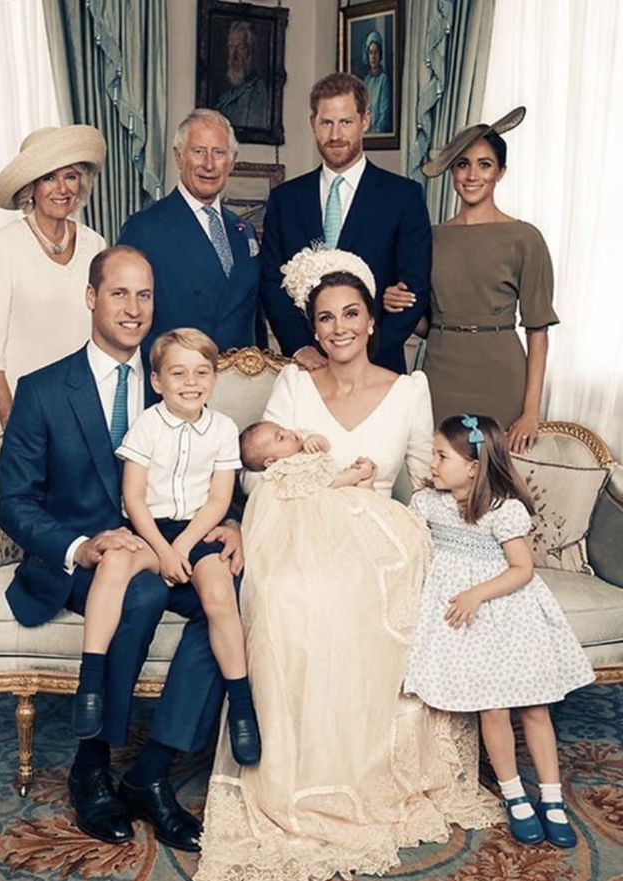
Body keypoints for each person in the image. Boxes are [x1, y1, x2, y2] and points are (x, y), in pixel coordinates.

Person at [195, 247, 502, 881]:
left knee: (353, 593)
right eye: (326, 318)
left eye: (351, 314)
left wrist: (467, 527)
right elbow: (257, 473)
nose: (339, 328)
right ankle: (294, 773)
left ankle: (362, 768)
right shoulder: (292, 383)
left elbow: (425, 481)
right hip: (298, 523)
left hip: (382, 537)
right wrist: (304, 485)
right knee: (288, 593)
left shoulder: (409, 390)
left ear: (370, 322)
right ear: (314, 329)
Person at [0, 245, 243, 853]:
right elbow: (13, 501)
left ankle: (151, 773)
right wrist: (80, 547)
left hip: (168, 545)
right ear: (91, 297)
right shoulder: (44, 390)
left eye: (145, 295)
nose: (134, 309)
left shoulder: (175, 382)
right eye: (119, 293)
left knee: (236, 593)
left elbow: (205, 473)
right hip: (90, 565)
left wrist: (232, 522)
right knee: (139, 591)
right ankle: (91, 763)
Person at [72, 327, 261, 767]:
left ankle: (242, 706)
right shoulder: (147, 425)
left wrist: (185, 546)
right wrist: (161, 548)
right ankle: (91, 680)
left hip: (195, 529)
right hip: (149, 529)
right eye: (178, 373)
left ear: (214, 378)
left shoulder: (223, 428)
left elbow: (218, 500)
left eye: (201, 372)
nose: (191, 382)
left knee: (219, 589)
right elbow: (134, 499)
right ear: (157, 381)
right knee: (115, 562)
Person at [403, 414, 595, 848]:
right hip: (467, 627)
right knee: (492, 708)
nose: (431, 463)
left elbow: (522, 569)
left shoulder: (502, 510)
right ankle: (513, 795)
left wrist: (475, 594)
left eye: (440, 455)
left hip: (507, 615)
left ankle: (551, 797)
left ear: (473, 466)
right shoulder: (427, 504)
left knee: (533, 707)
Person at [384, 107, 558, 452]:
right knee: (440, 474)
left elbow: (538, 332)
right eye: (462, 164)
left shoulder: (525, 238)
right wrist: (395, 303)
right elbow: (427, 322)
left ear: (501, 172)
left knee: (493, 480)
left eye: (484, 164)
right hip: (441, 372)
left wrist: (530, 411)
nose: (472, 175)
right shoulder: (429, 237)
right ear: (451, 172)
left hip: (501, 375)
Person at [259, 72, 431, 374]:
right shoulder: (285, 199)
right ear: (313, 123)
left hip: (379, 368)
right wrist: (301, 348)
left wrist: (365, 355)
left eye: (346, 122)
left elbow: (413, 290)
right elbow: (272, 284)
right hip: (306, 369)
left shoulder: (403, 196)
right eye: (326, 123)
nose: (335, 135)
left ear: (365, 120)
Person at [0, 124, 107, 428]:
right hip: (20, 412)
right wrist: (12, 421)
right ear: (30, 187)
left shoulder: (95, 244)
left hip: (81, 412)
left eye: (70, 176)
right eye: (49, 177)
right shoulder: (4, 245)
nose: (62, 189)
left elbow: (101, 336)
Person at [117, 109, 264, 363]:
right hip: (175, 384)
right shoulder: (144, 229)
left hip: (241, 390)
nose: (209, 164)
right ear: (178, 156)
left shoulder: (243, 231)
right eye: (198, 151)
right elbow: (126, 320)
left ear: (232, 160)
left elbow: (254, 321)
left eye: (219, 153)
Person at [239, 419, 377, 486]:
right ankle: (359, 475)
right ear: (271, 462)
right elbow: (326, 484)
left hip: (337, 479)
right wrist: (356, 474)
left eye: (283, 428)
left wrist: (317, 440)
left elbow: (326, 446)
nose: (288, 432)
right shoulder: (286, 470)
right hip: (325, 497)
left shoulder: (304, 441)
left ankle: (360, 477)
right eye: (280, 438)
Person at [214, 21, 269, 129]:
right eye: (231, 47)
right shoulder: (226, 96)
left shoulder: (259, 93)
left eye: (241, 48)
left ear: (251, 53)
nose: (234, 56)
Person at [363, 30, 390, 133]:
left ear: (380, 55)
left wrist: (377, 130)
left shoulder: (383, 79)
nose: (373, 57)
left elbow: (385, 110)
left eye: (375, 52)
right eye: (370, 53)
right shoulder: (366, 81)